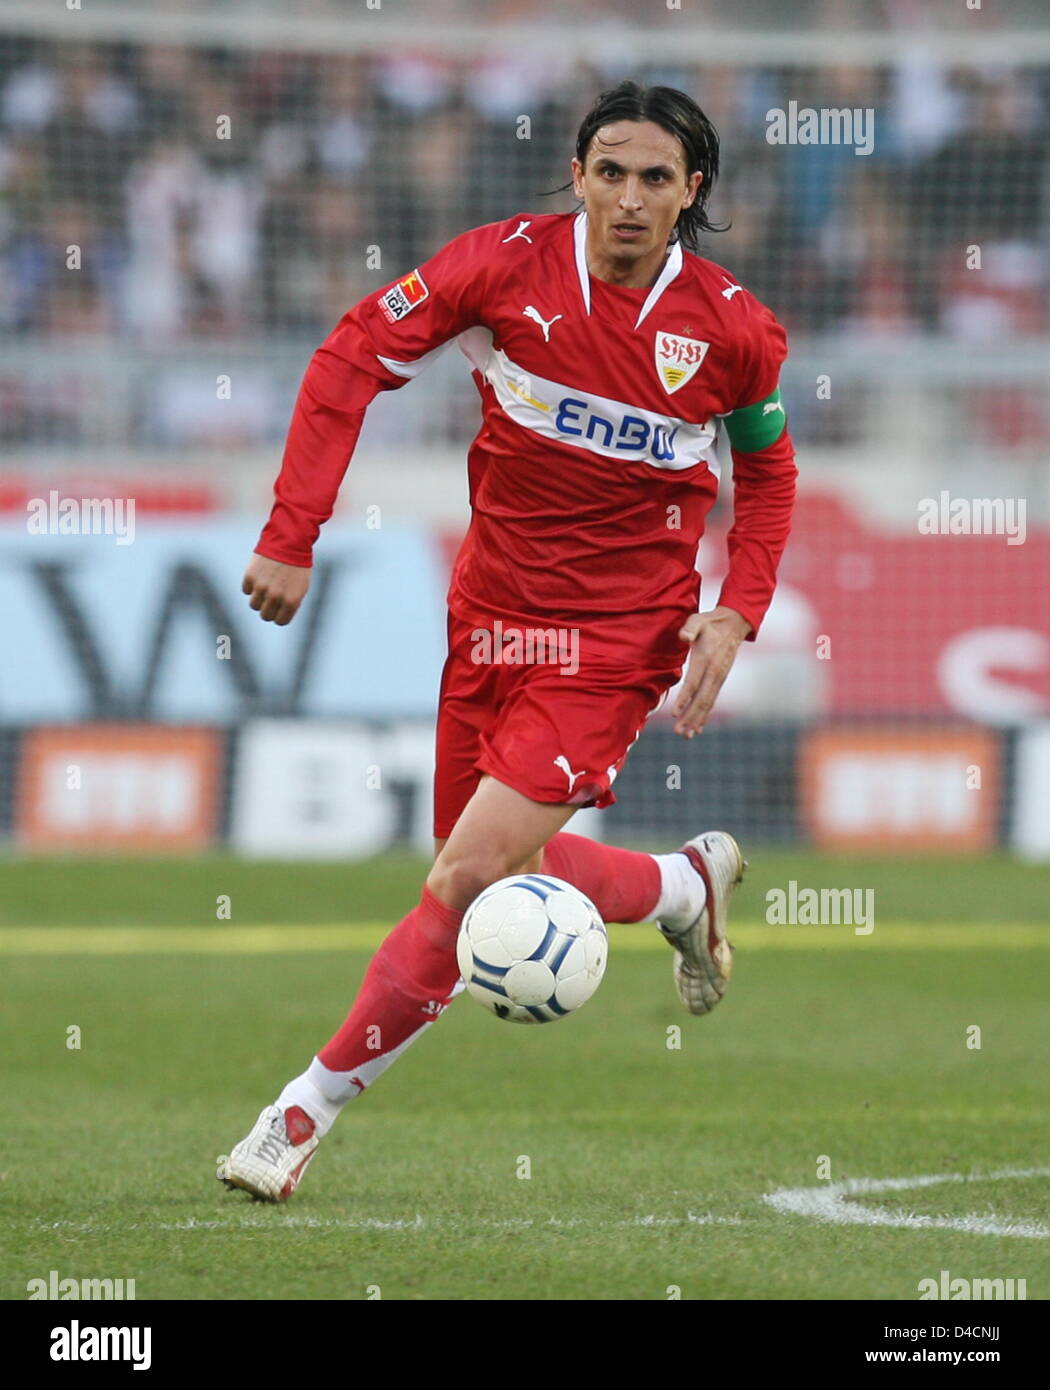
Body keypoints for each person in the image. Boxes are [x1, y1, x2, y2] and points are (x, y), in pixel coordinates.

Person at [218, 80, 797, 1202]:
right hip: (487, 621)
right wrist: (293, 532)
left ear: (693, 194)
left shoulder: (730, 329)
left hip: (618, 641)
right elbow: (351, 356)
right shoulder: (499, 266)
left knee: (464, 876)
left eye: (657, 179)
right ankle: (682, 887)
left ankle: (298, 1113)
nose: (630, 198)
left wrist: (737, 606)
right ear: (577, 174)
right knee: (486, 881)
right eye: (611, 172)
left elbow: (768, 474)